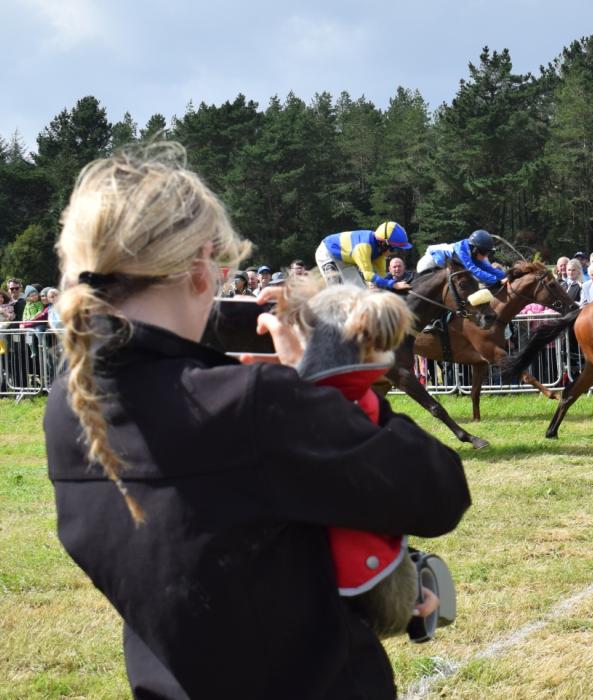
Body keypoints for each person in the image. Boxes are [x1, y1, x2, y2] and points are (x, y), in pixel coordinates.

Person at [45, 143, 471, 698]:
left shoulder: (67, 408)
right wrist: (323, 383)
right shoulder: (252, 405)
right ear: (201, 268)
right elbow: (437, 490)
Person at [316, 221, 414, 292]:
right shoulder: (364, 247)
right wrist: (394, 285)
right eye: (393, 249)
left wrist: (393, 286)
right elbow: (367, 275)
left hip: (346, 259)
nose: (393, 253)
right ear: (384, 243)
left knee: (360, 292)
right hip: (327, 253)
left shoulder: (380, 253)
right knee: (336, 289)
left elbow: (383, 276)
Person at [415, 229, 506, 288]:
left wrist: (507, 276)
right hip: (428, 264)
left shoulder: (473, 252)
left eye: (488, 252)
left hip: (442, 265)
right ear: (475, 249)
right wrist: (497, 281)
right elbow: (475, 271)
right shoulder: (461, 252)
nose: (486, 256)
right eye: (484, 252)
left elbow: (489, 269)